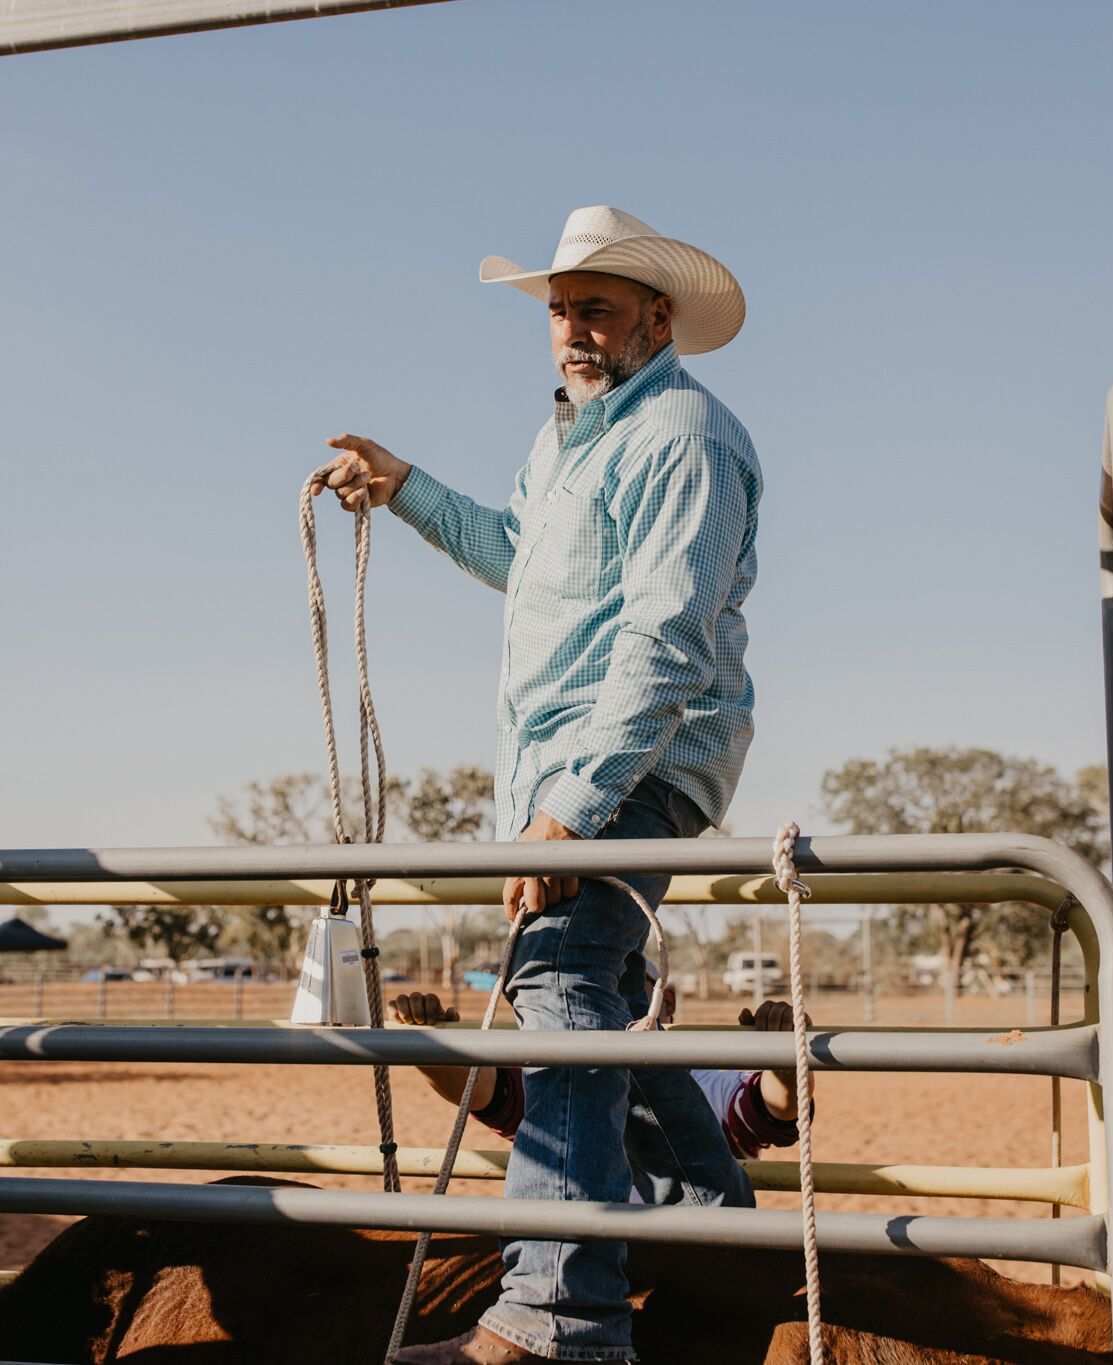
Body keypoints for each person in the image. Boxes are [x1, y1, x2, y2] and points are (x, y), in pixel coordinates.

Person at [313, 205, 760, 1364]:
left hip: (627, 763)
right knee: (595, 992)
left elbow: (665, 639)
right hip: (577, 766)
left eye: (593, 309)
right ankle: (718, 1234)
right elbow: (515, 553)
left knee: (559, 977)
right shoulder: (569, 442)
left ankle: (557, 1317)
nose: (569, 329)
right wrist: (405, 487)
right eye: (558, 309)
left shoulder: (682, 438)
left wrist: (571, 806)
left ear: (656, 319)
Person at [388, 988, 798, 1170]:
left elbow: (772, 1111)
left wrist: (783, 1056)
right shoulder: (559, 1075)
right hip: (596, 1256)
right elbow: (482, 1091)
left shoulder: (710, 1079)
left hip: (685, 1256)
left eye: (626, 987)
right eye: (590, 992)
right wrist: (429, 1044)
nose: (607, 1004)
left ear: (666, 1001)